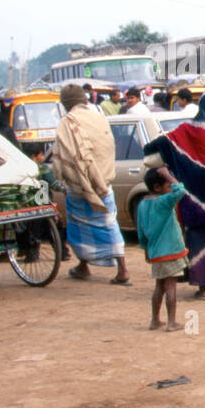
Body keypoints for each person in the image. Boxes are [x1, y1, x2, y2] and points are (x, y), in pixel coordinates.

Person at [142, 90, 205, 297]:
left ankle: (202, 288)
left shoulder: (186, 130)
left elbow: (156, 145)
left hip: (193, 201)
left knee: (197, 241)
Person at [53, 84, 131, 284]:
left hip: (81, 185)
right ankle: (95, 266)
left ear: (65, 104)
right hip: (105, 182)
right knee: (107, 223)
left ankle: (110, 269)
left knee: (81, 225)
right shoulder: (99, 116)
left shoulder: (67, 122)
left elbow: (62, 154)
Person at [135, 167, 189, 331]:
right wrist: (167, 174)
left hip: (156, 253)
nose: (170, 188)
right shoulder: (164, 202)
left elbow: (141, 232)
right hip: (171, 252)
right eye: (167, 185)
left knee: (159, 286)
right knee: (171, 287)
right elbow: (180, 190)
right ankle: (171, 322)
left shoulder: (143, 205)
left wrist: (146, 250)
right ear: (158, 188)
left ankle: (155, 320)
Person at [24, 142, 70, 262]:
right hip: (44, 205)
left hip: (28, 207)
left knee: (33, 231)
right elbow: (54, 184)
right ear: (35, 156)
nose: (43, 156)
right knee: (55, 228)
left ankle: (32, 255)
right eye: (41, 154)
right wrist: (64, 189)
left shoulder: (22, 169)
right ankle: (62, 253)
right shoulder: (43, 169)